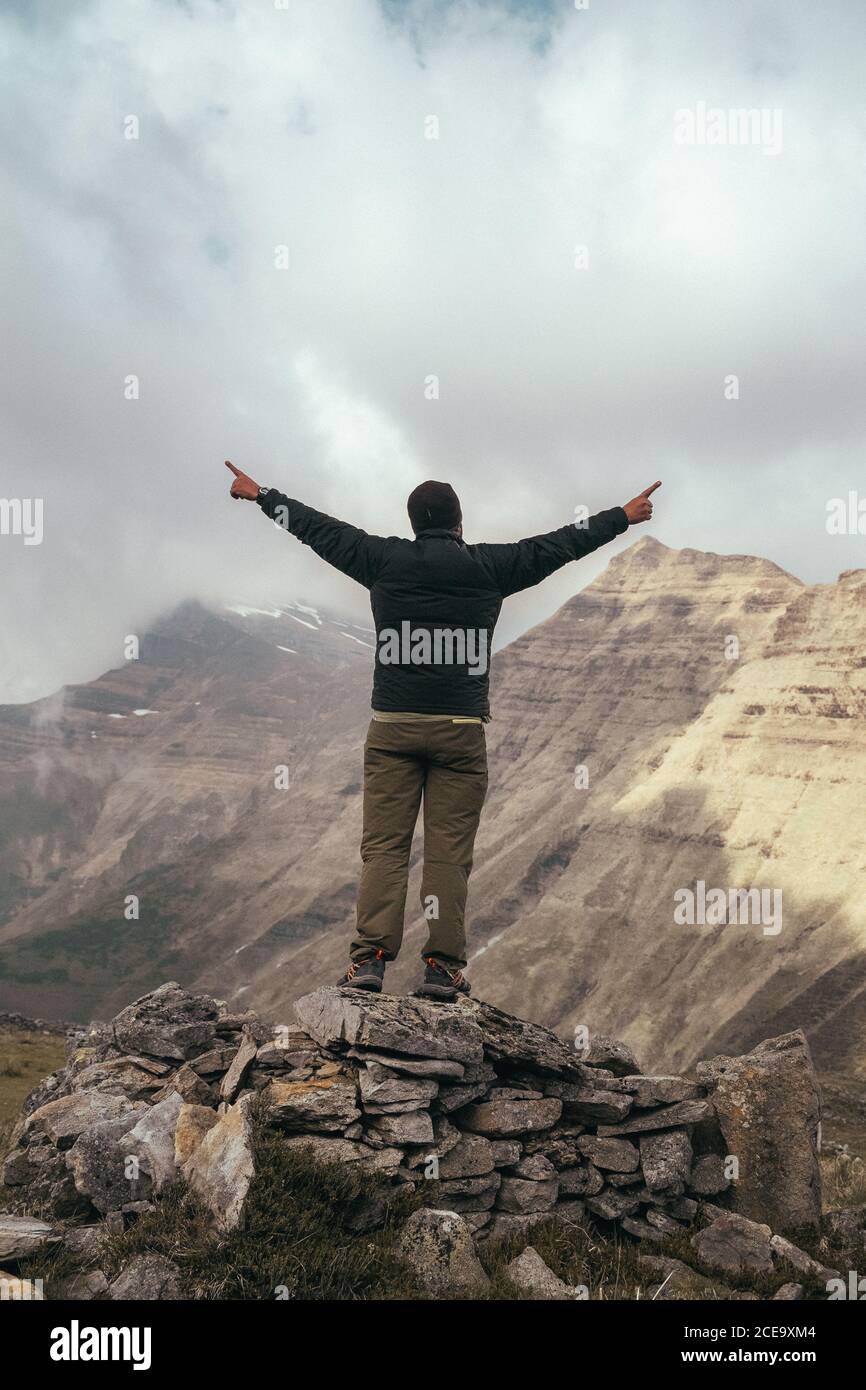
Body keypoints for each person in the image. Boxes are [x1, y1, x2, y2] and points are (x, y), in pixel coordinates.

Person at [226, 461, 660, 1000]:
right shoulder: (492, 567)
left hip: (393, 729)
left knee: (384, 850)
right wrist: (622, 515)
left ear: (413, 524)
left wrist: (262, 494)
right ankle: (441, 968)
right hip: (459, 732)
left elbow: (317, 528)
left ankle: (370, 961)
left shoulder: (380, 559)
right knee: (449, 853)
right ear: (459, 522)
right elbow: (560, 545)